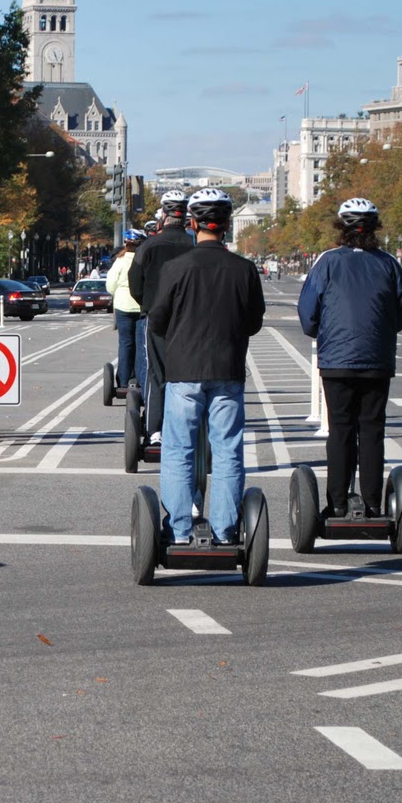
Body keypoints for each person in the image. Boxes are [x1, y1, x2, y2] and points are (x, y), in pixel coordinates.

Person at [148, 188, 265, 543]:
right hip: (228, 370)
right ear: (227, 225)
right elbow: (254, 322)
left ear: (192, 223)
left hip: (184, 371)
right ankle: (226, 532)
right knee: (227, 450)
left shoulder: (175, 269)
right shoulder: (244, 270)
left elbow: (157, 321)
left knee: (178, 450)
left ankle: (180, 531)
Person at [297, 198, 402, 518]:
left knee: (340, 429)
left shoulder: (327, 261)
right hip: (377, 359)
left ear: (341, 227)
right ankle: (374, 504)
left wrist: (324, 333)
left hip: (337, 360)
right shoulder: (389, 263)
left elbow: (308, 314)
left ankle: (337, 503)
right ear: (375, 229)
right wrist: (380, 332)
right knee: (372, 429)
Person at [128, 189, 196, 439]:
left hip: (155, 317)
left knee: (155, 372)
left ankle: (155, 428)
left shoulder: (148, 246)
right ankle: (187, 424)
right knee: (188, 372)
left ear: (163, 216)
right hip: (190, 318)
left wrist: (148, 304)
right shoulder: (194, 244)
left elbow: (135, 284)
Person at [106, 229, 147, 391]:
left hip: (123, 306)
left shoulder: (120, 261)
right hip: (140, 305)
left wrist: (118, 293)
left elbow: (110, 285)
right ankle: (139, 379)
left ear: (126, 244)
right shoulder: (143, 259)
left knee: (125, 343)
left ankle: (123, 380)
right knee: (140, 344)